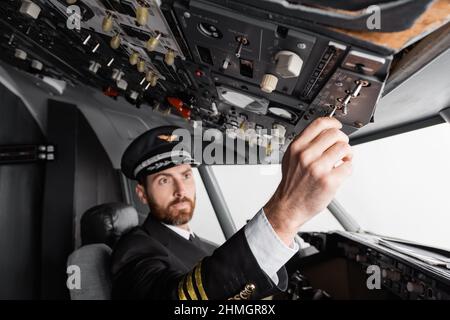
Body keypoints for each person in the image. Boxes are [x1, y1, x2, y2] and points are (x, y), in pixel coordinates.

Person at [111, 117, 353, 300]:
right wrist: (285, 215)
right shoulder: (134, 247)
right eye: (164, 180)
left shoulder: (204, 245)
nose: (180, 190)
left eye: (185, 175)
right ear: (142, 193)